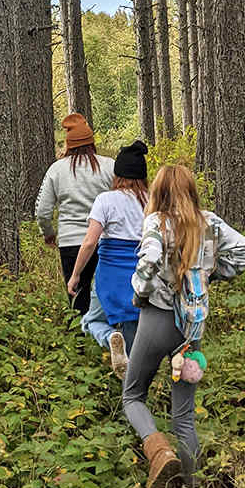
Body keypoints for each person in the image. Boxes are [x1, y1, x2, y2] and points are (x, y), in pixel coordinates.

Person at [123, 164, 245, 488]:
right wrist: (209, 276)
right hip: (191, 327)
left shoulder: (157, 222)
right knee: (183, 414)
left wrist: (139, 293)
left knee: (133, 395)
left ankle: (159, 452)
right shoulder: (208, 222)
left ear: (159, 192)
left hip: (158, 319)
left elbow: (150, 260)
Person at [67, 141, 149, 378]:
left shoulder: (106, 200)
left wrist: (76, 275)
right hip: (141, 277)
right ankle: (134, 395)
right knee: (135, 338)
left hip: (109, 276)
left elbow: (90, 242)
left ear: (117, 175)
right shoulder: (152, 200)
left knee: (91, 321)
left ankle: (111, 337)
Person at [35, 113, 115, 317]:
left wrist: (48, 233)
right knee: (106, 298)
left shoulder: (57, 169)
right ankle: (107, 341)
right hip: (104, 241)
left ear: (69, 144)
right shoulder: (109, 165)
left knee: (77, 299)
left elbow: (43, 211)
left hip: (70, 243)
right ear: (91, 142)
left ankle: (80, 345)